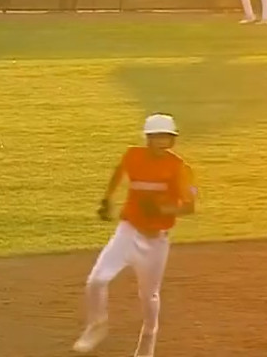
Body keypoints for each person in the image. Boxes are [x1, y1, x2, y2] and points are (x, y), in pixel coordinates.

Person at [73, 113, 196, 357]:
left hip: (156, 240)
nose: (162, 142)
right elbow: (119, 172)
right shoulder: (133, 156)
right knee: (96, 281)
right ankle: (96, 325)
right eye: (157, 137)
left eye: (167, 137)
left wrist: (163, 209)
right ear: (148, 138)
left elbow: (189, 206)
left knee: (148, 295)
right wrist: (107, 200)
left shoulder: (180, 168)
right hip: (128, 231)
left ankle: (147, 343)